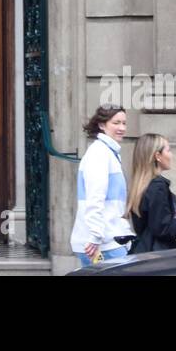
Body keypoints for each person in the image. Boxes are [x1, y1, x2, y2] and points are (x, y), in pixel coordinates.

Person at [71, 104, 134, 267]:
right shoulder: (99, 154)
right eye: (116, 123)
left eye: (124, 123)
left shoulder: (108, 152)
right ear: (101, 125)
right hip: (102, 243)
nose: (122, 128)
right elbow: (95, 198)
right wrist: (95, 236)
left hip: (106, 240)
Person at [125, 132, 176, 253]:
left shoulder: (141, 185)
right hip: (158, 255)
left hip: (146, 251)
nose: (171, 155)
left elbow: (153, 224)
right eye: (168, 150)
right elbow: (163, 229)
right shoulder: (157, 187)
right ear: (157, 156)